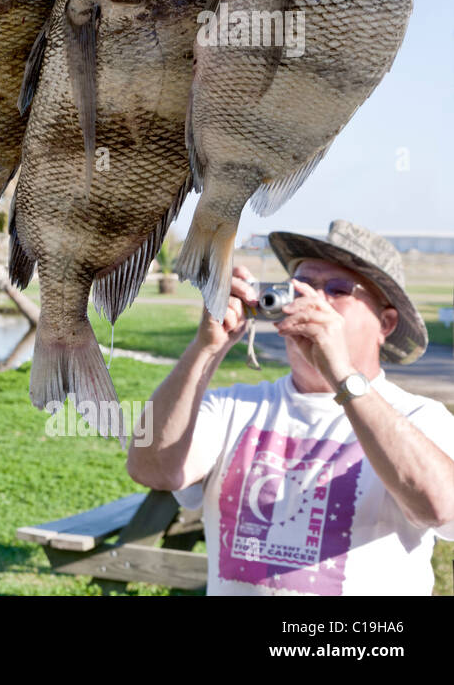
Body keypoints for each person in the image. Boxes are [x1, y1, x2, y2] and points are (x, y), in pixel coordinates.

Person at [126, 219, 454, 594]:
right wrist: (206, 348)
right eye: (301, 285)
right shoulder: (233, 407)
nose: (312, 300)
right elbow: (151, 468)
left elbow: (440, 508)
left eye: (337, 290)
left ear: (386, 322)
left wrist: (341, 375)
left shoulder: (420, 419)